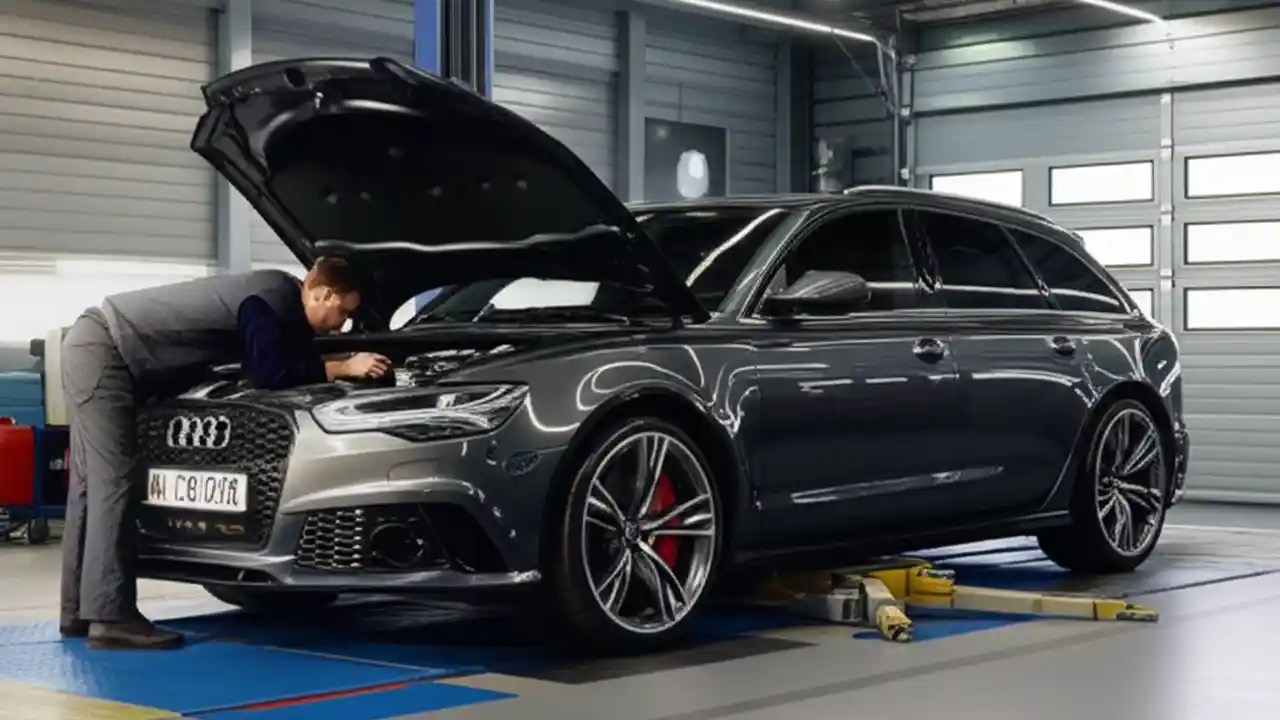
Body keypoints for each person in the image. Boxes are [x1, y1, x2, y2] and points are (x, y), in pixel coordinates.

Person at [58, 257, 390, 650]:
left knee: (89, 486)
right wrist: (343, 367)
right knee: (112, 484)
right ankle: (112, 618)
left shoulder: (279, 302)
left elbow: (273, 363)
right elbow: (270, 373)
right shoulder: (270, 297)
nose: (342, 326)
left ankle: (77, 613)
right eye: (344, 313)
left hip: (96, 346)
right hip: (106, 351)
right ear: (324, 294)